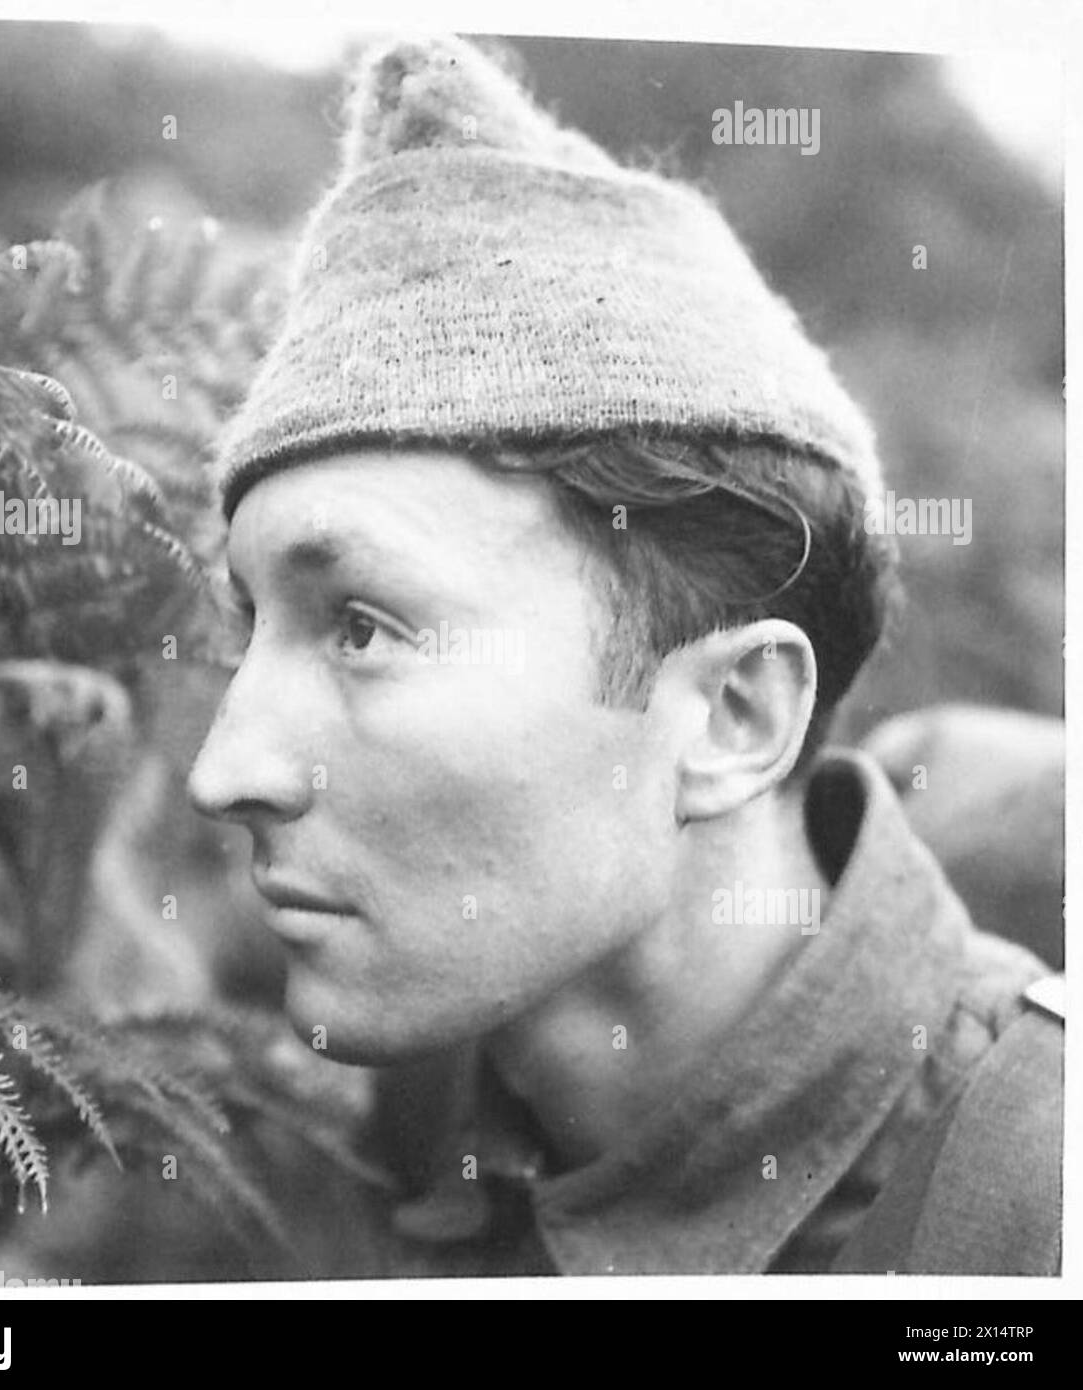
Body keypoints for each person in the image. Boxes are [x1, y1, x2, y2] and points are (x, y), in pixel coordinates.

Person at [187, 34, 1062, 1276]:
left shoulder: (1036, 1207)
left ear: (732, 716)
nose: (222, 771)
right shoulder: (410, 1086)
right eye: (245, 621)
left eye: (363, 627)